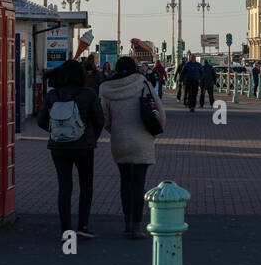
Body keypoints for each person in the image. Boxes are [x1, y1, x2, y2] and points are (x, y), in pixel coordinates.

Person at [35, 60, 105, 238]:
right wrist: (91, 137)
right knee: (86, 185)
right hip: (84, 146)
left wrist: (55, 132)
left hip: (59, 147)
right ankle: (83, 226)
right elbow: (99, 120)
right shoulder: (88, 94)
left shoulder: (53, 95)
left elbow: (41, 120)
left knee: (64, 187)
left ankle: (66, 230)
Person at [98, 55, 166, 239]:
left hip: (119, 141)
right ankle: (136, 225)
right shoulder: (143, 83)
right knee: (138, 184)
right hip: (141, 140)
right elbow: (159, 111)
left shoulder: (107, 89)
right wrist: (154, 129)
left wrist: (116, 130)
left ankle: (127, 223)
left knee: (125, 182)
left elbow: (104, 119)